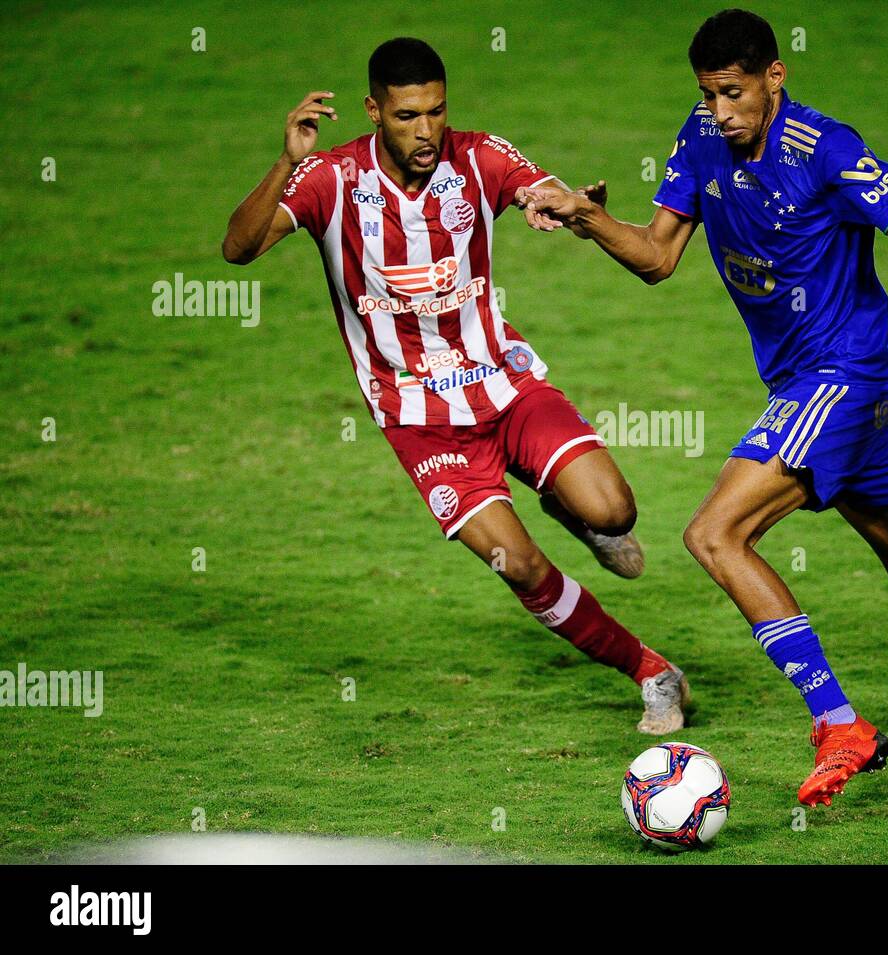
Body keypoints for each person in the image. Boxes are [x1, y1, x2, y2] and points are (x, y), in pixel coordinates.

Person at [525, 9, 888, 806]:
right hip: (813, 387)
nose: (721, 112)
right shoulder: (700, 134)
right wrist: (589, 218)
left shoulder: (827, 148)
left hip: (843, 376)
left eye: (733, 93)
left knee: (714, 532)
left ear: (775, 76)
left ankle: (839, 724)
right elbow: (657, 256)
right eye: (707, 94)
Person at [221, 37, 690, 735]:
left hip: (505, 387)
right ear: (374, 110)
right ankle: (653, 671)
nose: (426, 131)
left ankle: (577, 513)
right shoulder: (329, 179)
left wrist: (562, 206)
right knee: (523, 567)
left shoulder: (477, 157)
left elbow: (536, 185)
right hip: (421, 424)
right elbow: (239, 247)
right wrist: (286, 163)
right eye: (408, 115)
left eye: (437, 112)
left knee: (617, 511)